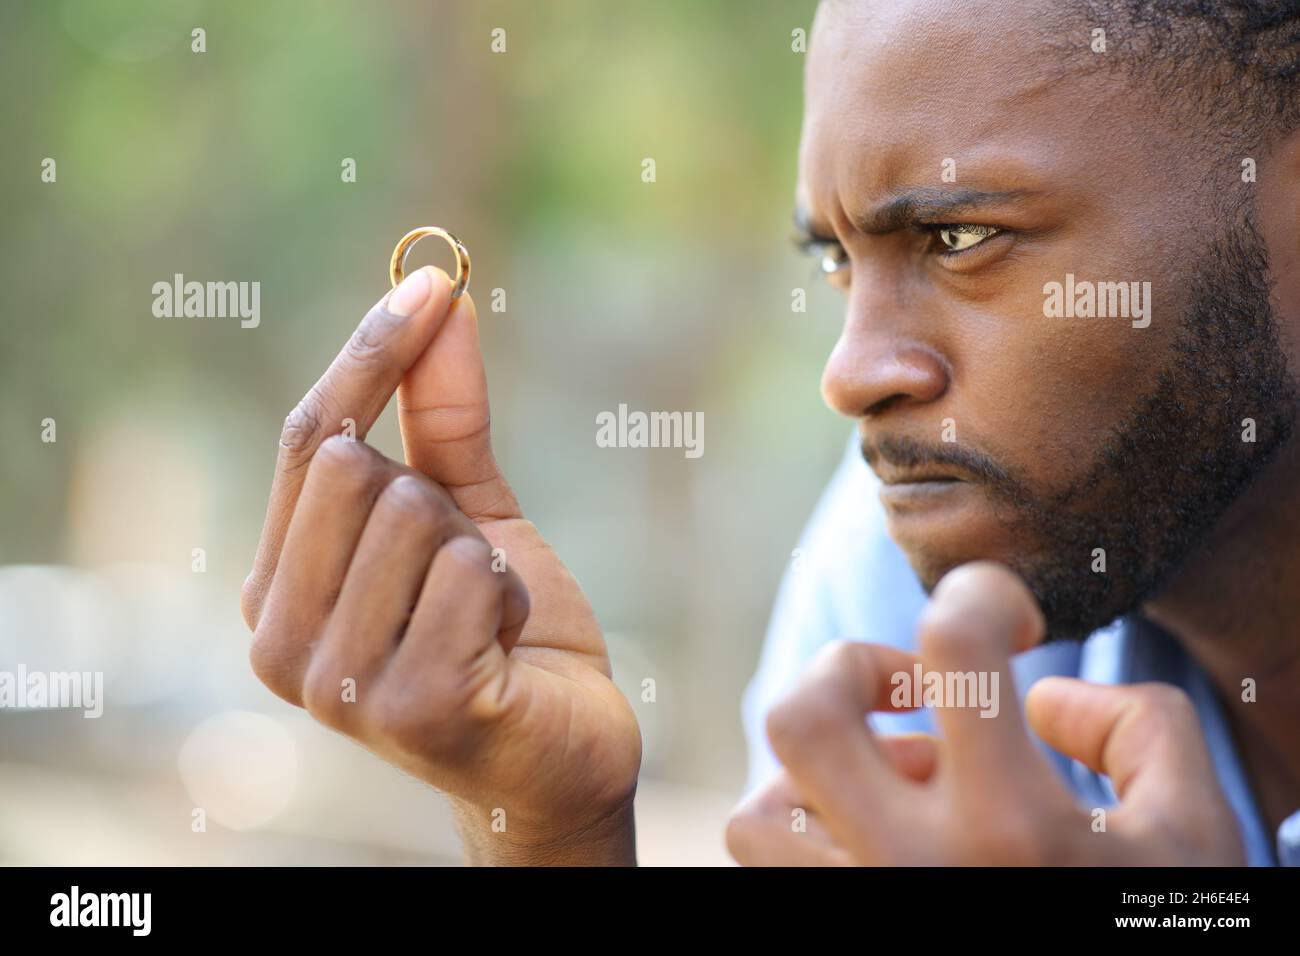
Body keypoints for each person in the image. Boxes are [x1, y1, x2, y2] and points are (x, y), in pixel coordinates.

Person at [241, 0, 1300, 865]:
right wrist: (554, 825)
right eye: (834, 259)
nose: (848, 377)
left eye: (961, 236)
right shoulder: (891, 578)